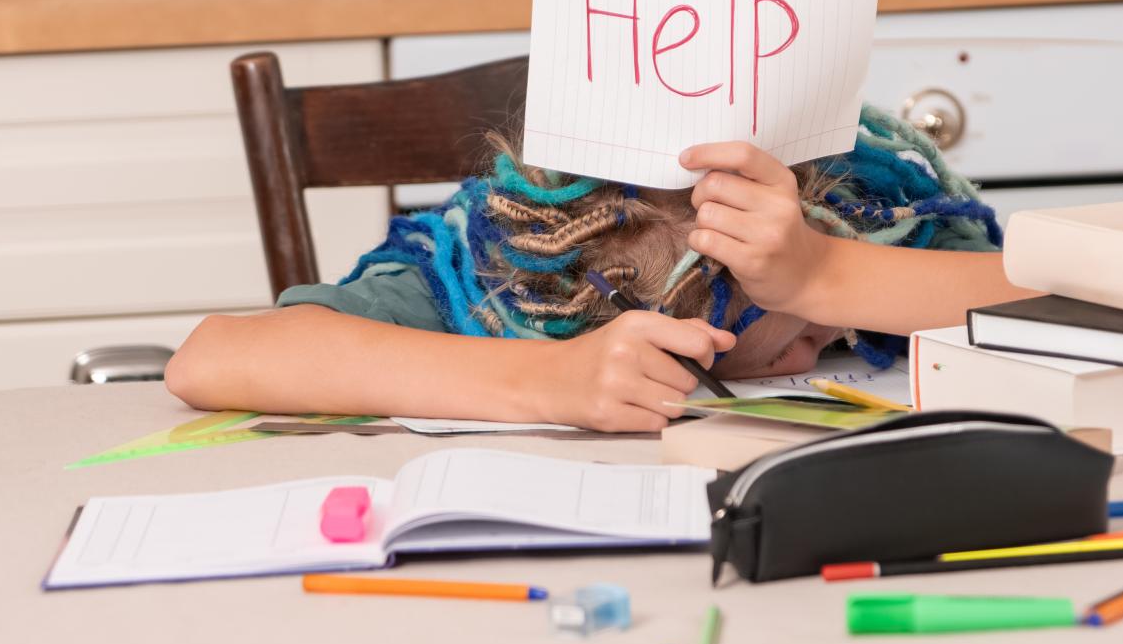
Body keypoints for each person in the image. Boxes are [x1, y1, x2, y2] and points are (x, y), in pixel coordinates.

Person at [166, 105, 1035, 431]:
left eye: (806, 330)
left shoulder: (863, 213)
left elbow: (1063, 285)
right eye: (784, 348)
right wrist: (549, 379)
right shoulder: (516, 286)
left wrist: (824, 276)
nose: (820, 351)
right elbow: (210, 358)